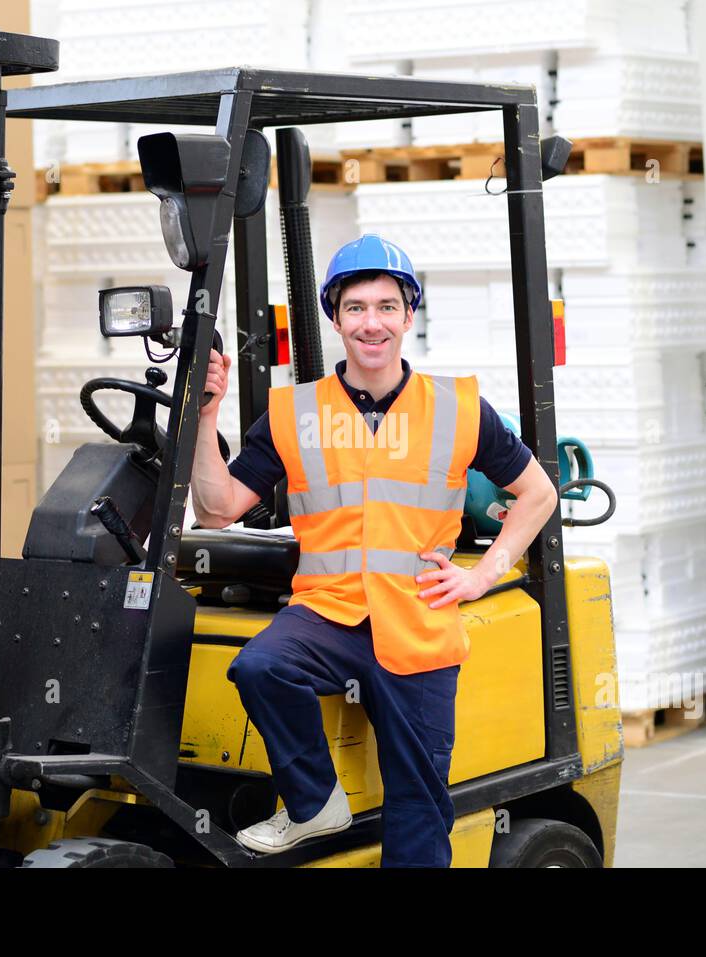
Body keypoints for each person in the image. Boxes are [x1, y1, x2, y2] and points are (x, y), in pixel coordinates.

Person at [189, 234, 558, 867]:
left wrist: (484, 576)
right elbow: (217, 508)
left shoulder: (458, 407)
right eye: (356, 308)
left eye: (387, 306)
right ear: (334, 318)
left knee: (418, 806)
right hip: (328, 613)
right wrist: (204, 416)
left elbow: (538, 494)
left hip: (417, 619)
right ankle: (313, 804)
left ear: (409, 315)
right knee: (259, 667)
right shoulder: (292, 411)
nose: (372, 323)